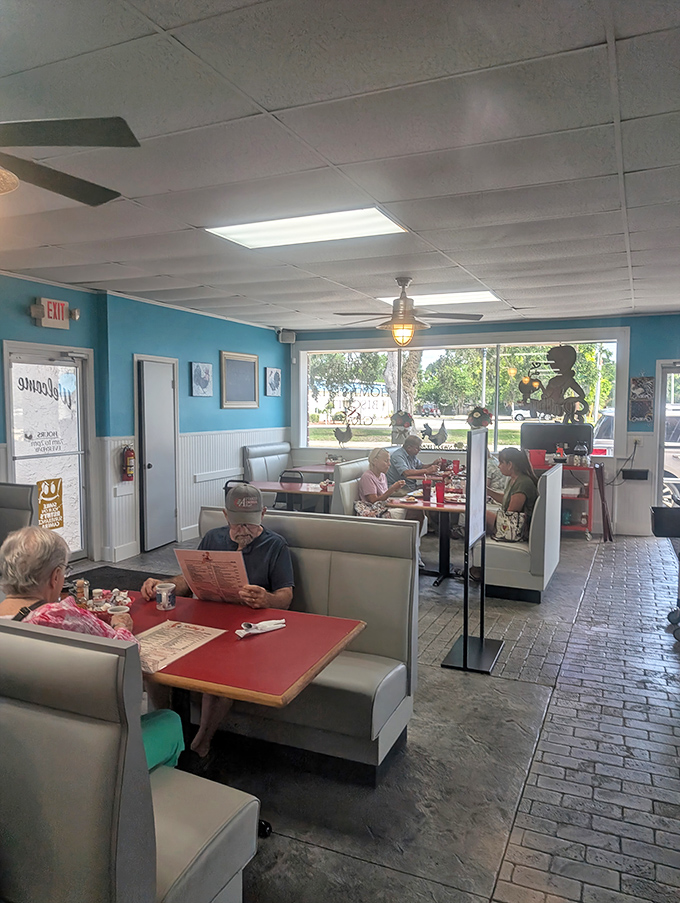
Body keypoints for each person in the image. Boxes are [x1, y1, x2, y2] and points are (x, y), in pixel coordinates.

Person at [0, 526, 183, 772]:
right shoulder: (58, 616)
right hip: (87, 759)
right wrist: (122, 625)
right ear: (55, 577)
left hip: (21, 750)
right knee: (170, 721)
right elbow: (126, 650)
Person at [140, 483, 294, 759]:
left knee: (220, 678)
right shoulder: (212, 539)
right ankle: (170, 725)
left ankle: (201, 745)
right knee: (151, 664)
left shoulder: (275, 545)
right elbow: (187, 582)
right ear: (225, 516)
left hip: (248, 631)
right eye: (237, 524)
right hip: (203, 623)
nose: (243, 530)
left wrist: (267, 599)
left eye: (250, 524)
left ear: (264, 514)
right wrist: (161, 584)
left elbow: (286, 595)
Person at [355, 447, 406, 517]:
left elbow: (383, 498)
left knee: (416, 512)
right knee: (412, 513)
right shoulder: (367, 477)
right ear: (375, 461)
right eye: (386, 461)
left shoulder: (382, 475)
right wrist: (392, 489)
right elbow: (374, 501)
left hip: (384, 507)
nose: (389, 464)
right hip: (374, 511)